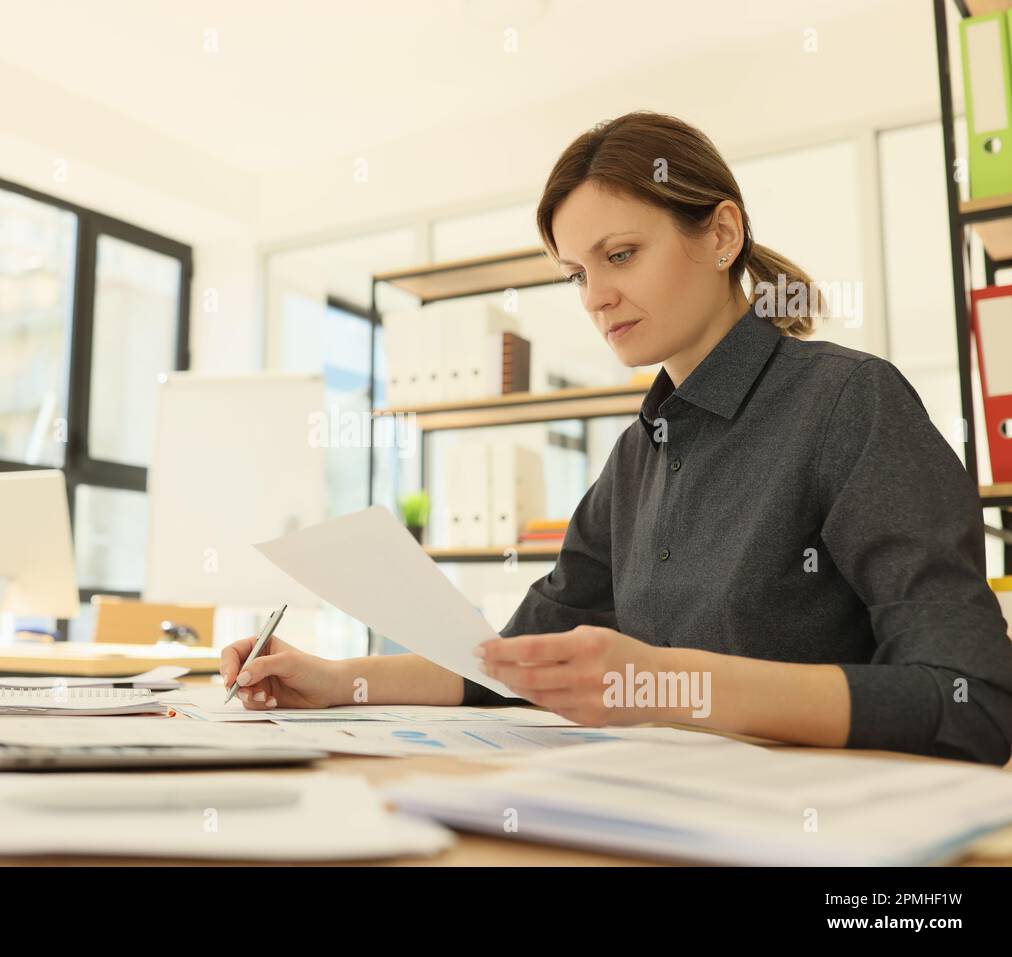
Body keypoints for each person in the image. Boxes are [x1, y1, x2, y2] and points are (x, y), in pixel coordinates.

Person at [220, 110, 1012, 765]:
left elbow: (970, 697)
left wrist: (669, 682)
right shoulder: (640, 453)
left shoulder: (849, 400)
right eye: (575, 274)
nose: (596, 297)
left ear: (721, 234)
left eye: (621, 255)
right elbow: (509, 661)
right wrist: (334, 679)